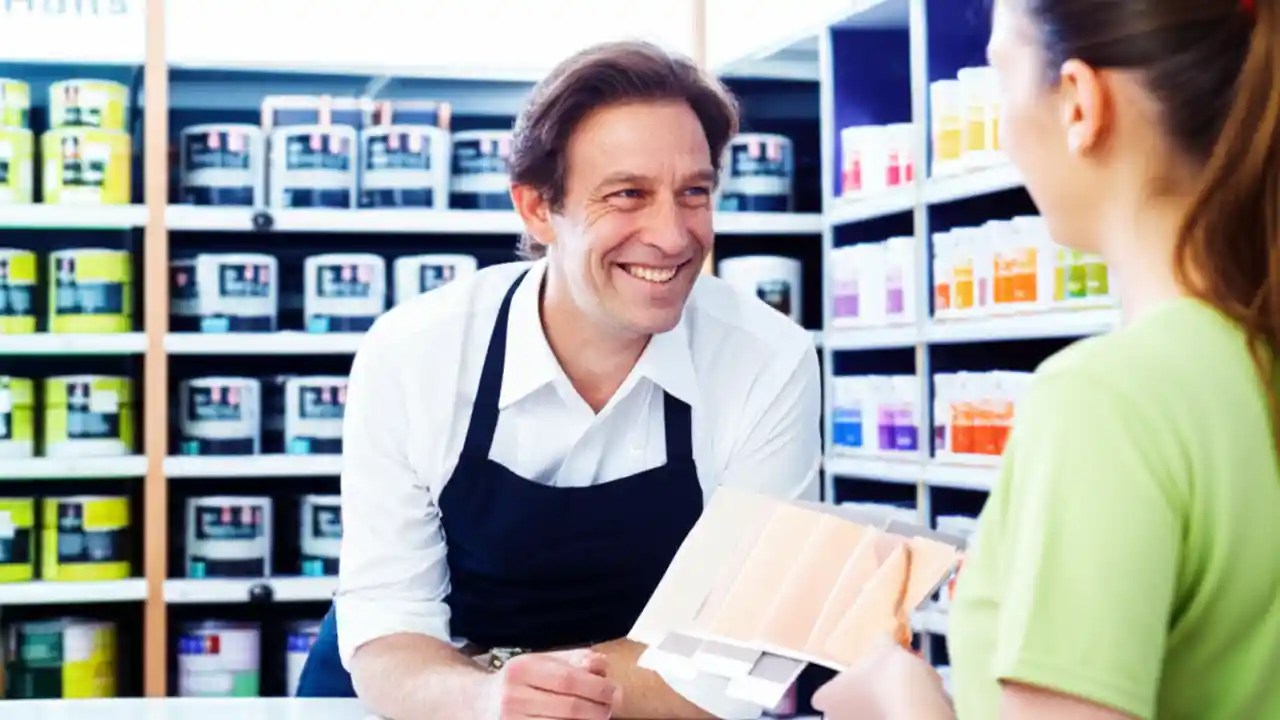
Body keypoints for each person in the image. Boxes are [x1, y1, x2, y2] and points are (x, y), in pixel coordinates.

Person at [294, 40, 822, 720]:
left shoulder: (765, 360)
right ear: (538, 209)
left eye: (694, 193)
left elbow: (739, 655)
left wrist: (520, 678)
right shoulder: (415, 353)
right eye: (627, 194)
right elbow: (390, 626)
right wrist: (485, 695)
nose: (672, 236)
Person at [813, 0, 1280, 718]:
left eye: (1002, 78)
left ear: (1079, 104)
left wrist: (901, 699)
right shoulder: (1245, 359)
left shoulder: (1109, 400)